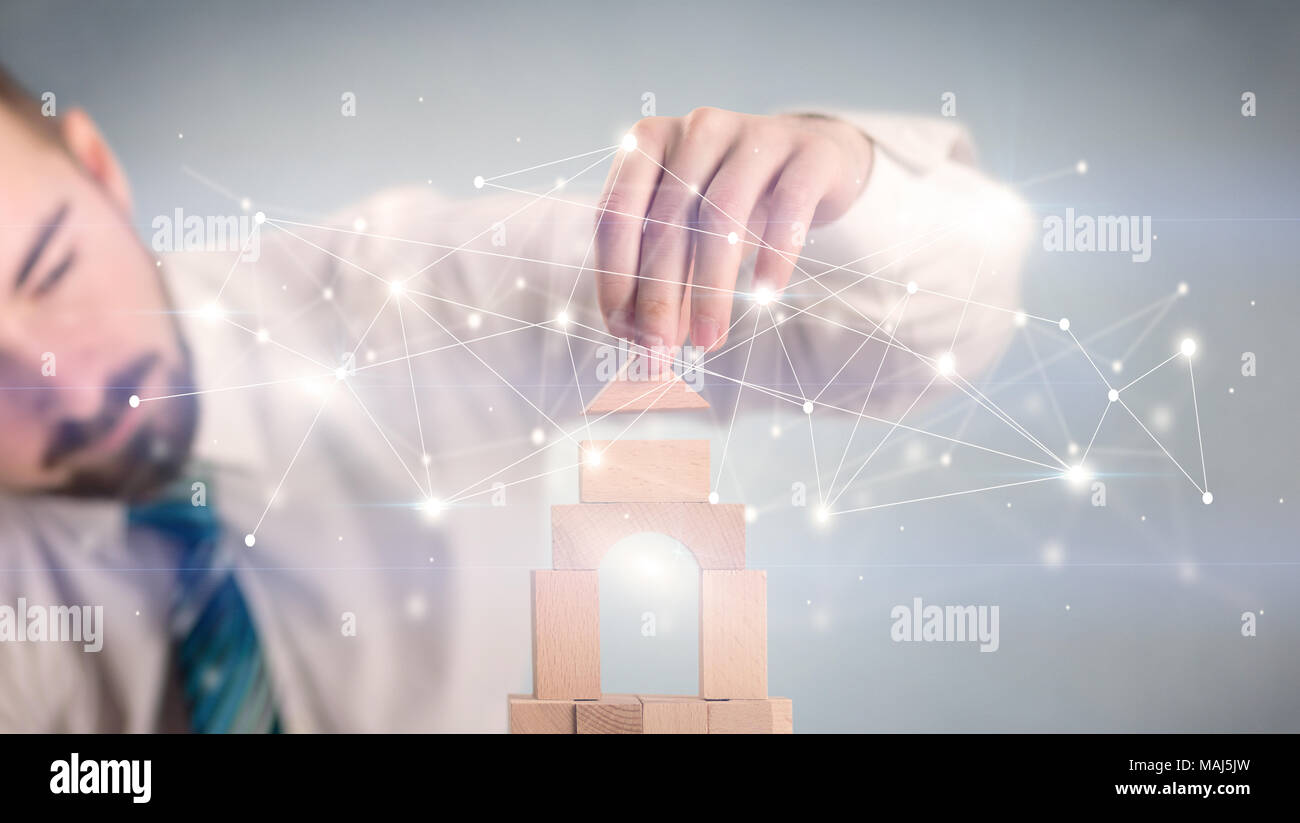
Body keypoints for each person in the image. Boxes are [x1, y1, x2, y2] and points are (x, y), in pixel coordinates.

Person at [0, 63, 1030, 731]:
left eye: (51, 269)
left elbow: (926, 331)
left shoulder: (395, 302)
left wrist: (825, 181)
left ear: (97, 169)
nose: (64, 383)